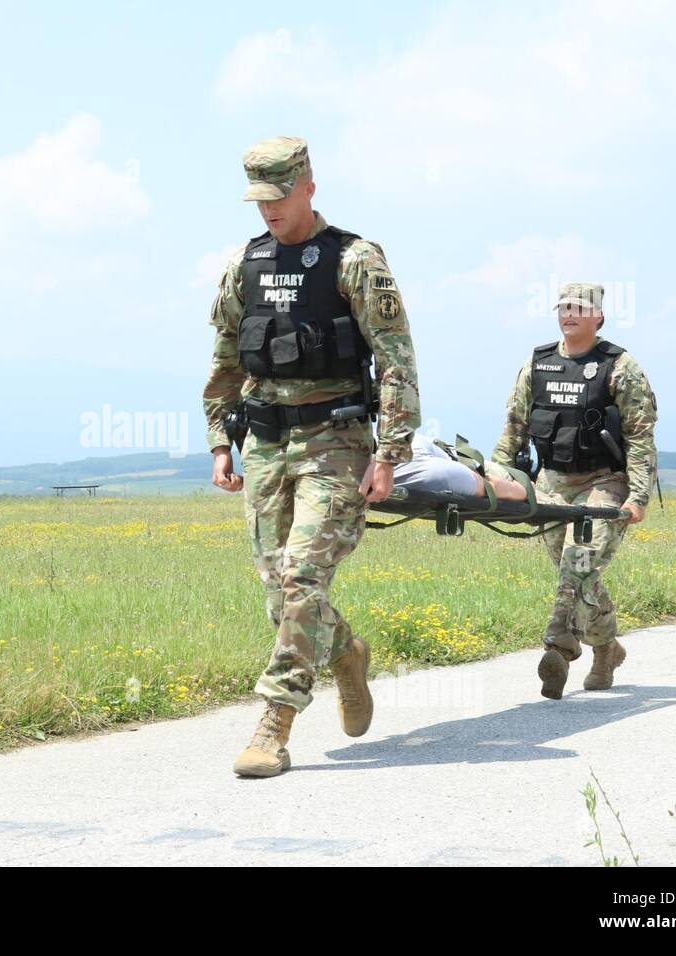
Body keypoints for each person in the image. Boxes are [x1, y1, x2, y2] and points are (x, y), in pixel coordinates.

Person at [202, 136, 421, 777]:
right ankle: (346, 652)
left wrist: (390, 452)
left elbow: (396, 359)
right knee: (279, 589)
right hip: (266, 440)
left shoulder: (355, 259)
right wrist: (221, 438)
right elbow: (223, 357)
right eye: (258, 199)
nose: (267, 210)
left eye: (278, 196)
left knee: (300, 575)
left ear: (308, 187)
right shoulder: (247, 263)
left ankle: (274, 722)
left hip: (337, 438)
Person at [490, 282, 658, 699]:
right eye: (563, 307)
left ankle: (559, 648)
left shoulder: (620, 366)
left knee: (576, 566)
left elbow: (640, 436)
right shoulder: (538, 364)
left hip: (604, 482)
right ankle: (607, 649)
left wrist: (638, 496)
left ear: (598, 317)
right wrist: (493, 478)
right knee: (579, 573)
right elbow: (514, 427)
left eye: (579, 308)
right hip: (552, 483)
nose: (569, 314)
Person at [393, 434, 527, 501]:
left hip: (419, 467)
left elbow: (488, 487)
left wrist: (525, 490)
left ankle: (527, 489)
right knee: (486, 483)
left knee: (489, 486)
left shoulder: (429, 474)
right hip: (405, 445)